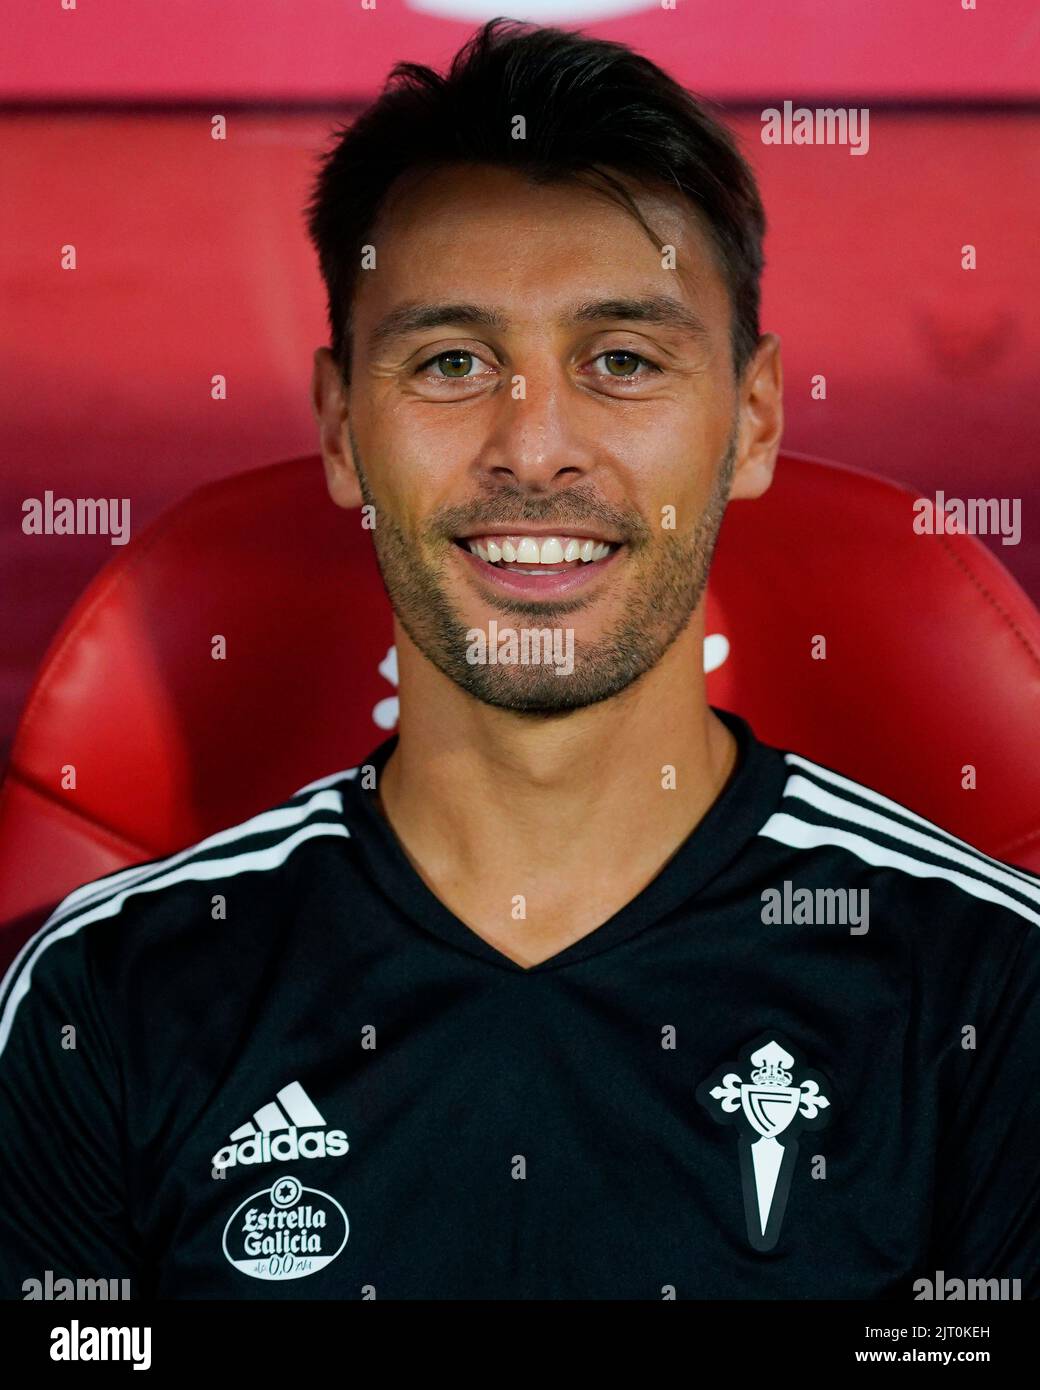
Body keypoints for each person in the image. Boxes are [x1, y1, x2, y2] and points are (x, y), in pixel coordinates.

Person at [1, 18, 1037, 1301]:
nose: (532, 448)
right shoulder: (105, 995)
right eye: (451, 361)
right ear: (339, 430)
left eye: (619, 360)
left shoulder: (992, 994)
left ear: (751, 420)